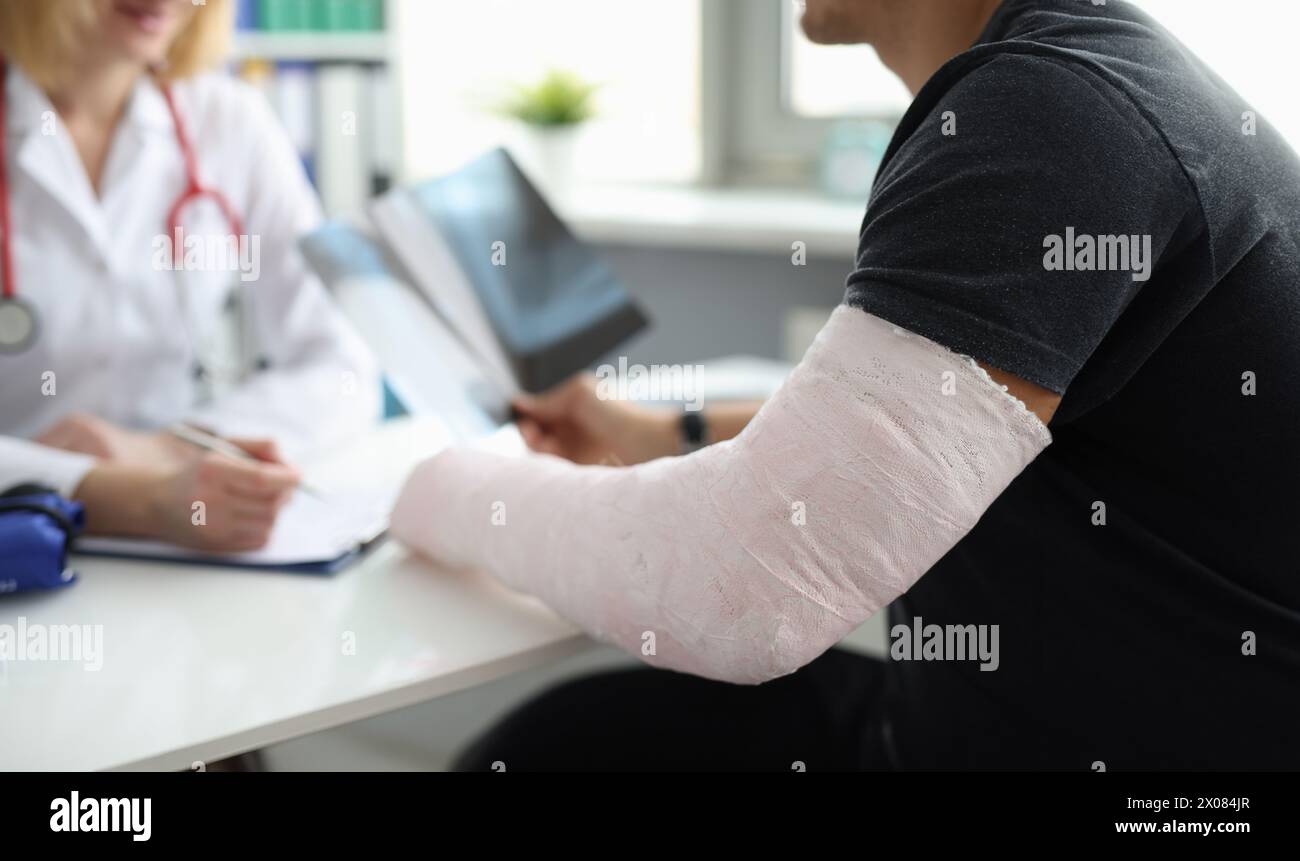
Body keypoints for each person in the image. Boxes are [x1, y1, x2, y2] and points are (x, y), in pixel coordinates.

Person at [391, 0, 1299, 770]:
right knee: (560, 741)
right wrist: (655, 430)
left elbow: (737, 591)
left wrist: (437, 491)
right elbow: (914, 428)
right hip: (989, 727)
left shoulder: (1050, 111)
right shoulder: (1108, 82)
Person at [0, 0, 380, 552]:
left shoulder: (230, 122)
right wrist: (123, 493)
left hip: (186, 539)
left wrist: (170, 448)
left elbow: (341, 368)